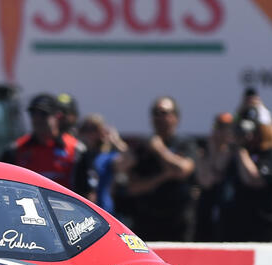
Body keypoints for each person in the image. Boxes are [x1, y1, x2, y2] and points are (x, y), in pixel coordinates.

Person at [121, 95, 197, 241]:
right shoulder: (143, 146)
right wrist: (163, 176)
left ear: (176, 117)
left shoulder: (186, 143)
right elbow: (133, 187)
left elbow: (183, 170)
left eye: (165, 113)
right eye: (156, 113)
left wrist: (160, 150)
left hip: (179, 223)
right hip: (147, 223)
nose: (160, 118)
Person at [220, 106, 272, 242]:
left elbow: (255, 180)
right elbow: (214, 173)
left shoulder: (269, 153)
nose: (247, 136)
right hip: (237, 225)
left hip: (264, 226)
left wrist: (242, 152)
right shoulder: (232, 152)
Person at [0, 93, 79, 188]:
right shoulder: (16, 149)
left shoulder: (75, 149)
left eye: (43, 114)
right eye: (33, 114)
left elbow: (86, 192)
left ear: (58, 116)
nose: (38, 119)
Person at [72, 113, 132, 215]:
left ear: (101, 132)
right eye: (86, 129)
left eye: (94, 129)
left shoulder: (106, 157)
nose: (89, 133)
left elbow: (130, 160)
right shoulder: (77, 154)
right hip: (80, 210)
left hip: (103, 210)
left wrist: (116, 140)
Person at [193, 112, 236, 241]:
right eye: (221, 128)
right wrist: (212, 149)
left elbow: (220, 168)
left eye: (228, 129)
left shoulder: (235, 152)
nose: (224, 133)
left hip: (228, 209)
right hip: (208, 206)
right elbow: (206, 181)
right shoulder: (204, 153)